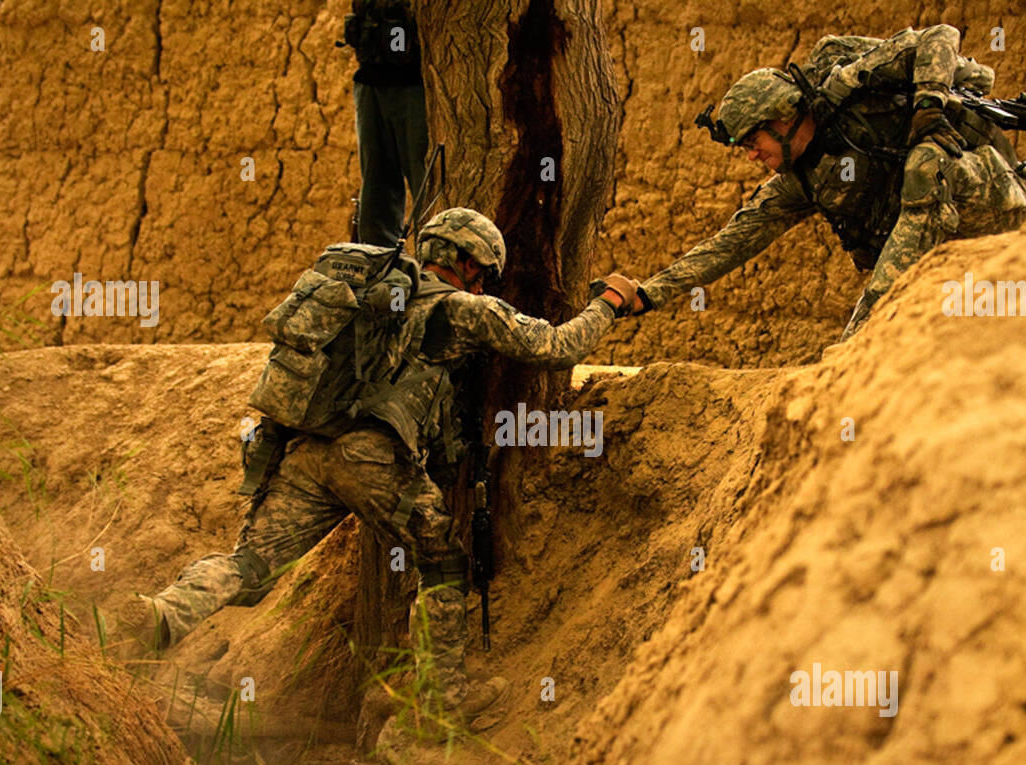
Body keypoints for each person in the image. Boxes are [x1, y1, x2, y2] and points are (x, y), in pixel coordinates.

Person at [128, 208, 641, 727]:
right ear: (464, 261)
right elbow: (556, 347)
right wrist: (608, 303)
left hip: (308, 449)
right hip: (373, 457)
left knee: (252, 566)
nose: (484, 283)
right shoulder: (462, 309)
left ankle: (162, 614)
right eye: (483, 271)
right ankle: (444, 701)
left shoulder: (372, 297)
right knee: (441, 562)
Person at [635, 25, 1026, 341]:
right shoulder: (801, 179)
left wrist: (929, 105)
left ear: (782, 119)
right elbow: (729, 243)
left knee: (925, 165)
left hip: (1002, 201)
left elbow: (941, 35)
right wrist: (647, 293)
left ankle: (861, 341)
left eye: (753, 141)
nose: (752, 156)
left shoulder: (852, 87)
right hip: (949, 250)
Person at [342, 0, 429, 246]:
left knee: (426, 186)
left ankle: (436, 270)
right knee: (375, 189)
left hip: (416, 84)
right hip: (370, 79)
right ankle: (380, 271)